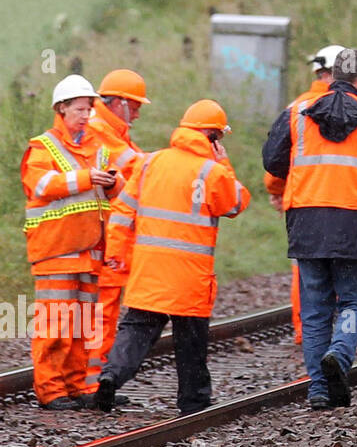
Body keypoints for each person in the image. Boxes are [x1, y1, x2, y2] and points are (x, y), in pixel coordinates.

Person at [261, 48, 357, 409]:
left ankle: (318, 391)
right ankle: (340, 353)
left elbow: (272, 162)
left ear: (329, 76)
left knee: (314, 310)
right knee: (355, 301)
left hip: (306, 222)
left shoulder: (296, 114)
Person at [94, 100, 249, 415]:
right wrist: (227, 165)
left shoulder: (151, 162)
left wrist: (118, 254)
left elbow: (123, 210)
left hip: (149, 268)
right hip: (189, 276)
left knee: (137, 328)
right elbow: (235, 204)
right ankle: (194, 402)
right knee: (190, 342)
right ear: (213, 137)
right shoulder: (213, 172)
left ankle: (112, 375)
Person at [21, 75, 124, 410]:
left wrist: (112, 183)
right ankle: (50, 391)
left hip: (89, 252)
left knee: (80, 325)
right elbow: (41, 184)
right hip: (56, 251)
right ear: (61, 109)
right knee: (55, 324)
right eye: (79, 109)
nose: (85, 115)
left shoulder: (97, 147)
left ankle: (76, 386)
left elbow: (114, 187)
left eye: (88, 109)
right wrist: (85, 178)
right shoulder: (43, 147)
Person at [264, 44, 344, 344]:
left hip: (302, 206)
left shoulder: (296, 107)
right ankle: (337, 336)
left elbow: (275, 159)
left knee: (306, 270)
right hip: (345, 205)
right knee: (342, 270)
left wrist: (277, 191)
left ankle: (306, 333)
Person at [83, 69, 151, 394]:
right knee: (103, 308)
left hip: (109, 235)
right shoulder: (100, 129)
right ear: (120, 102)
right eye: (135, 105)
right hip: (102, 237)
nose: (137, 112)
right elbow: (139, 166)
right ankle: (94, 382)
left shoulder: (115, 131)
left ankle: (98, 379)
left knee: (106, 306)